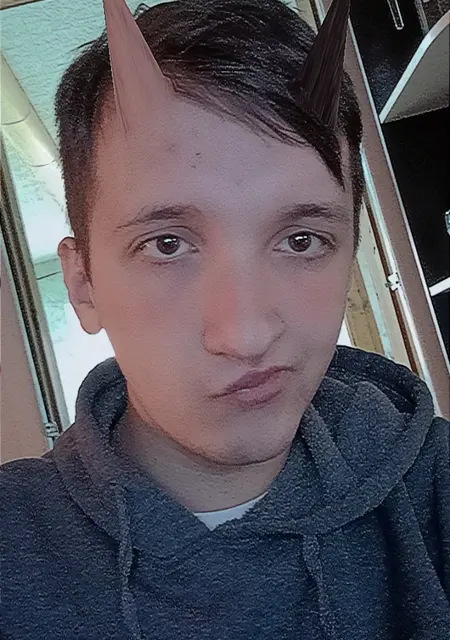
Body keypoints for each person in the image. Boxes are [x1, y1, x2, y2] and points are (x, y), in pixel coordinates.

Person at [1, 0, 449, 638]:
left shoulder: (434, 487)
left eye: (301, 240)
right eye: (167, 245)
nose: (246, 336)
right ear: (83, 284)